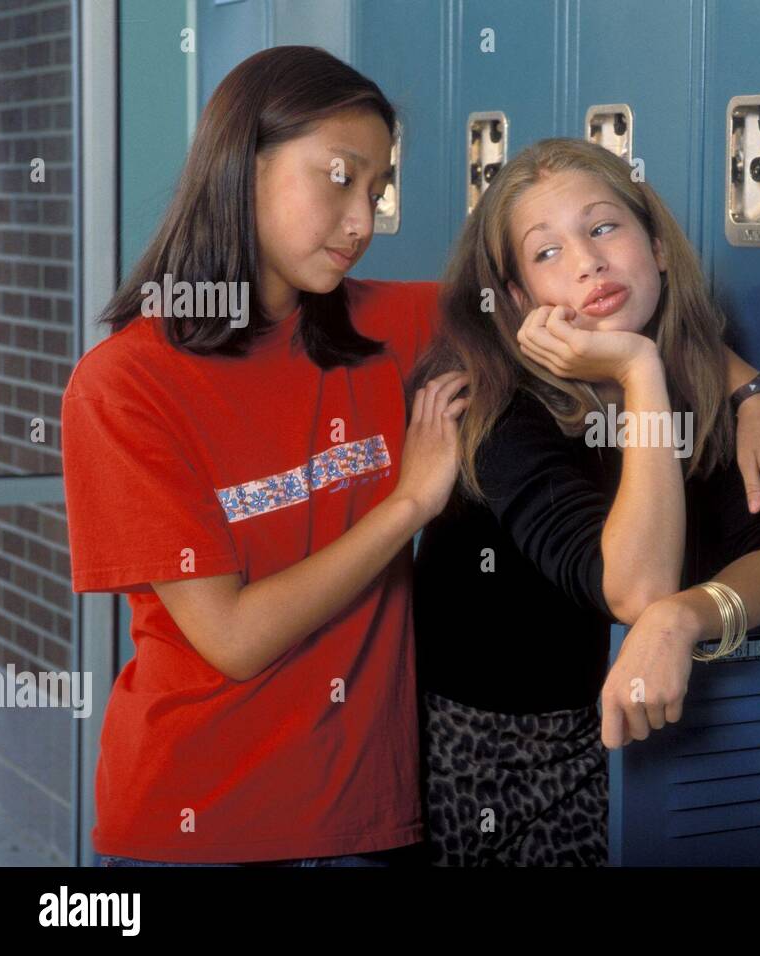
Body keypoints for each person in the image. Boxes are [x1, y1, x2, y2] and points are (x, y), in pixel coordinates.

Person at [62, 46, 466, 865]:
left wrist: (753, 396)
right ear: (243, 164)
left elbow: (586, 293)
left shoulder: (394, 328)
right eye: (340, 177)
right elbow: (235, 637)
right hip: (193, 828)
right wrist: (409, 507)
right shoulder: (124, 386)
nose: (363, 221)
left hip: (367, 822)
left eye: (378, 190)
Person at [411, 138, 760, 866]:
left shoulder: (707, 388)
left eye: (604, 228)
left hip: (659, 758)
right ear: (517, 300)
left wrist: (685, 617)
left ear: (658, 247)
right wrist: (638, 373)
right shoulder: (491, 408)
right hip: (500, 775)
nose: (586, 262)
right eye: (545, 253)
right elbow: (635, 587)